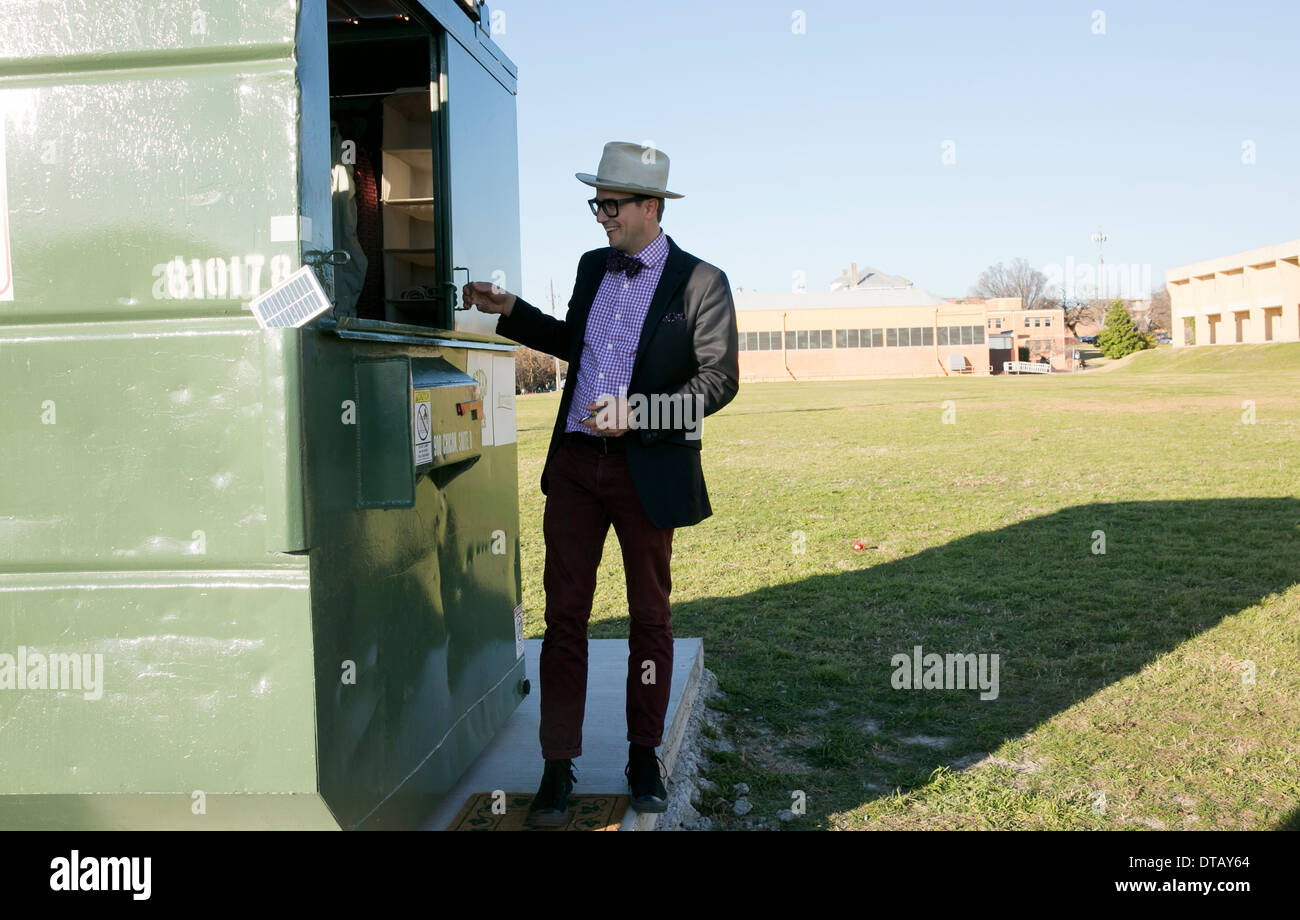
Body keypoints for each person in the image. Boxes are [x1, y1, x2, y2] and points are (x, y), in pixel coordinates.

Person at [463, 141, 739, 826]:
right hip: (577, 469)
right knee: (564, 621)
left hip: (648, 471)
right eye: (597, 203)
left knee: (650, 620)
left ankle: (643, 757)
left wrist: (638, 412)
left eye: (609, 205)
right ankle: (558, 768)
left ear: (651, 207)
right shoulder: (593, 268)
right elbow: (573, 342)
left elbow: (720, 381)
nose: (600, 217)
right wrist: (511, 308)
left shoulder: (701, 282)